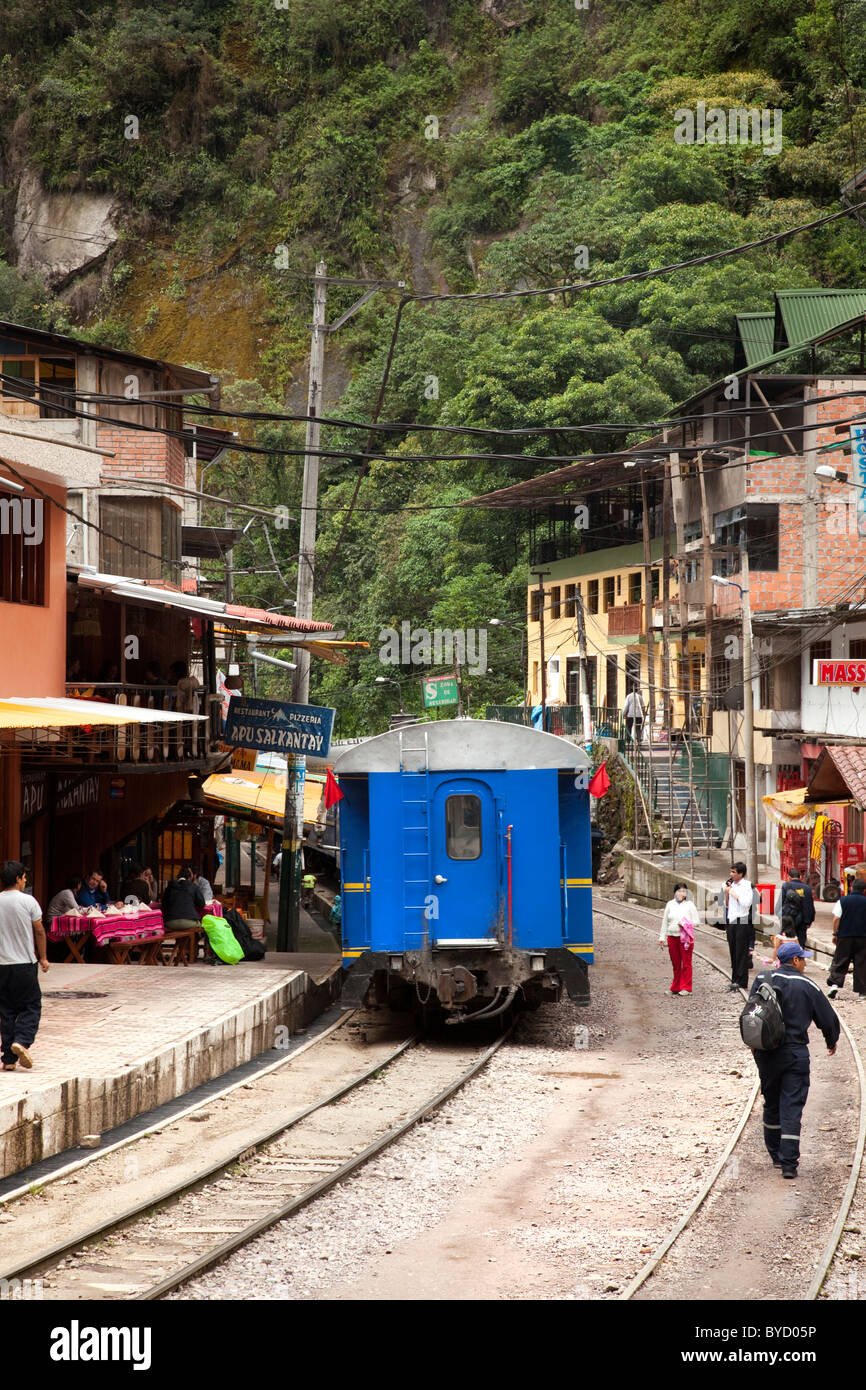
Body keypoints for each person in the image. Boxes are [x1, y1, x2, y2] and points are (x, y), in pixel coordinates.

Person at [747, 941, 839, 1178]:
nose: (805, 963)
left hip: (767, 1054)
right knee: (792, 1106)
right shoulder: (806, 985)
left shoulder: (762, 979)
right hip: (795, 1053)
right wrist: (831, 1040)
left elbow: (751, 1012)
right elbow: (828, 1019)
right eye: (803, 959)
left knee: (772, 1102)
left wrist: (755, 1045)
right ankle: (789, 1164)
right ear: (795, 961)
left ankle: (776, 1156)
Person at [0, 862, 49, 1071]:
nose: (26, 881)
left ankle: (9, 1059)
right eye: (24, 877)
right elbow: (39, 930)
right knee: (31, 1005)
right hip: (24, 964)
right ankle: (22, 1039)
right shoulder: (28, 901)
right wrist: (44, 957)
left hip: (1, 965)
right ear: (18, 878)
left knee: (6, 1010)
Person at [828, 878, 866, 999]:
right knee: (861, 963)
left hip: (845, 937)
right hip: (863, 937)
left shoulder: (843, 900)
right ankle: (862, 992)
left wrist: (835, 934)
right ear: (864, 890)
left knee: (840, 960)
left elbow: (836, 919)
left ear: (851, 888)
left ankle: (834, 985)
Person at [658, 882, 697, 995]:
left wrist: (685, 923)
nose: (681, 893)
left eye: (684, 891)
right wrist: (662, 937)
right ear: (675, 892)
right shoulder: (670, 904)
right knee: (675, 963)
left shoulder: (689, 905)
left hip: (685, 938)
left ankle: (686, 987)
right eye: (679, 891)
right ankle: (675, 986)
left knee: (686, 963)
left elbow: (697, 921)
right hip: (672, 936)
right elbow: (665, 921)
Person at [724, 861, 753, 991]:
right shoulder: (730, 886)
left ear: (741, 874)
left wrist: (734, 894)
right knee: (733, 950)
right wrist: (726, 893)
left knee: (741, 951)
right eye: (731, 871)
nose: (731, 874)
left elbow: (746, 903)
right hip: (731, 920)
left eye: (734, 872)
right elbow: (726, 905)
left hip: (742, 920)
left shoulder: (747, 886)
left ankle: (742, 980)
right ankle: (734, 978)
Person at [778, 865, 815, 950]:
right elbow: (809, 905)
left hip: (788, 919)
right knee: (801, 942)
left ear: (789, 877)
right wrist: (809, 921)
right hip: (802, 920)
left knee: (787, 941)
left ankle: (788, 959)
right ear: (800, 877)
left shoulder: (786, 886)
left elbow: (781, 903)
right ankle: (799, 959)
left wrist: (781, 917)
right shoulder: (807, 888)